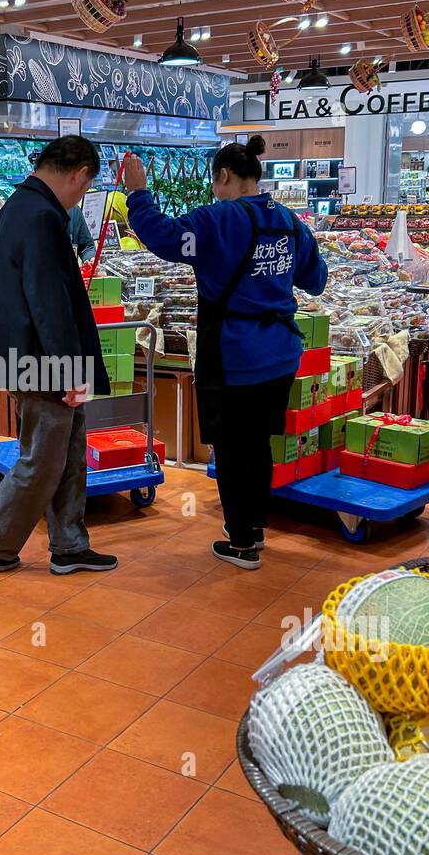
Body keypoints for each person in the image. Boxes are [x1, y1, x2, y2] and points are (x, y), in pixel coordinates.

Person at [124, 138, 327, 571]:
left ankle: (241, 543)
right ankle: (253, 528)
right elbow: (316, 280)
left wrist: (139, 193)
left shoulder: (220, 219)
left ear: (223, 176)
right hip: (282, 352)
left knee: (234, 449)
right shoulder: (289, 220)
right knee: (258, 443)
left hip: (236, 352)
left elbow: (164, 237)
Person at [0, 136, 116, 576]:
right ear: (79, 173)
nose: (80, 197)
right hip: (44, 360)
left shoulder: (15, 208)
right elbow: (47, 301)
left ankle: (69, 543)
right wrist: (69, 369)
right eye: (84, 188)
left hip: (24, 355)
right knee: (43, 458)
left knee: (67, 451)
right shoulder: (43, 217)